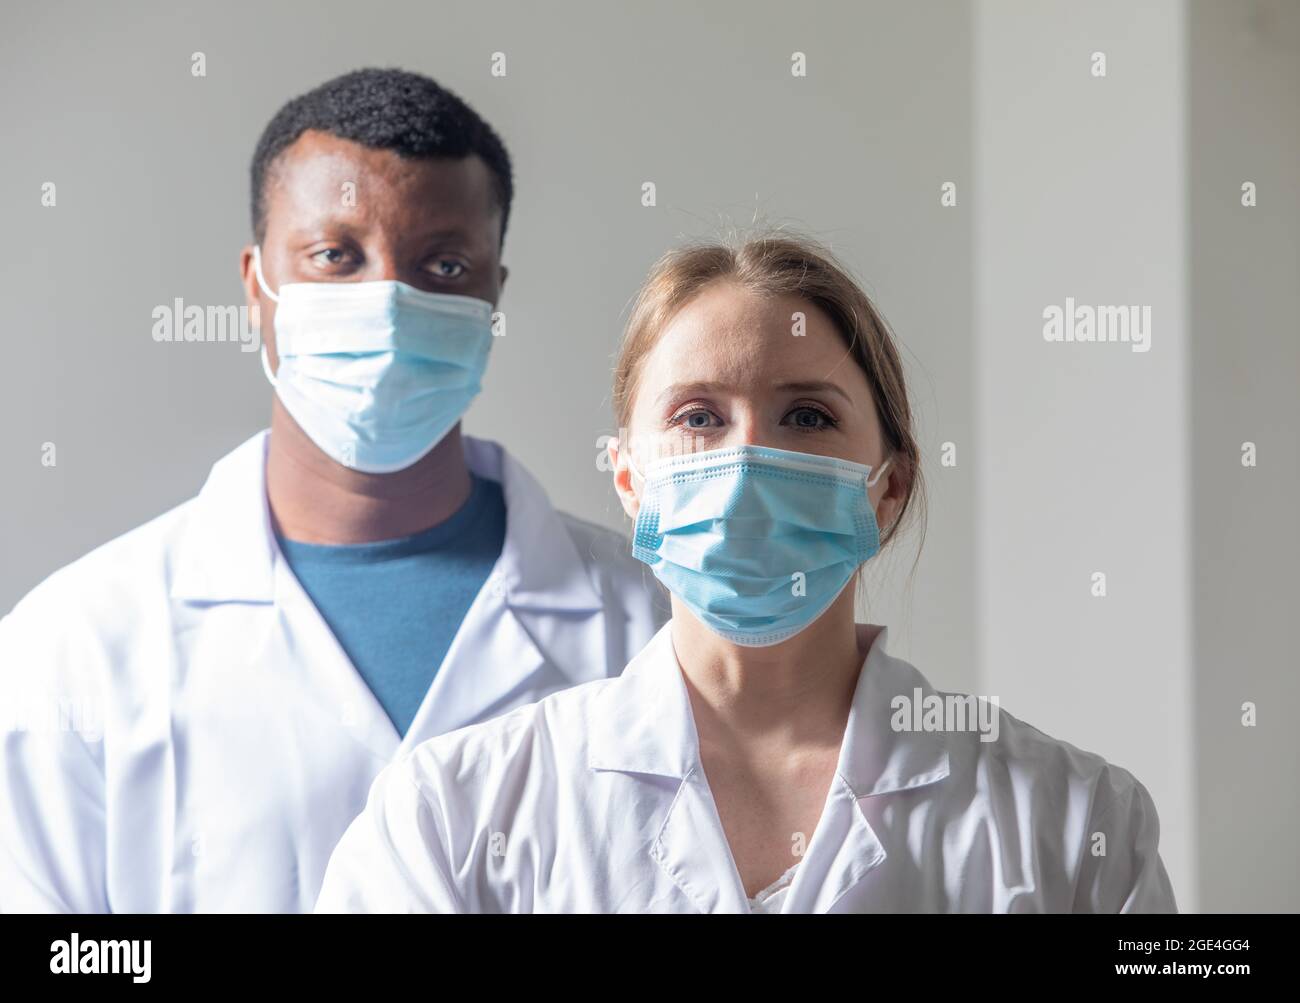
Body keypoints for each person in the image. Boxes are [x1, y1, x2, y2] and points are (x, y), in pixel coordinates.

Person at [314, 232, 1179, 913]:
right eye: (699, 415)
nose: (749, 459)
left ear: (889, 489)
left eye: (806, 414)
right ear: (628, 478)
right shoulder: (453, 815)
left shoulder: (1075, 822)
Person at [0, 68, 664, 913]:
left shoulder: (652, 628)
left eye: (444, 263)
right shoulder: (73, 652)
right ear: (256, 285)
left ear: (495, 291)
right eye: (335, 256)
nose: (388, 302)